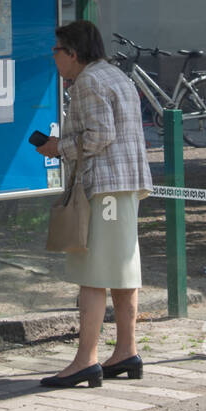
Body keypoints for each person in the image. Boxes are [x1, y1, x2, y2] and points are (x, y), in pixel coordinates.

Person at [35, 20, 153, 388]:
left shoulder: (87, 81)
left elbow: (100, 135)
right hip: (127, 185)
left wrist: (58, 148)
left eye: (56, 50)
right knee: (120, 269)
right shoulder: (116, 75)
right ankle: (125, 351)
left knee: (93, 272)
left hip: (104, 187)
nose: (53, 58)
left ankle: (85, 361)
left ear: (72, 53)